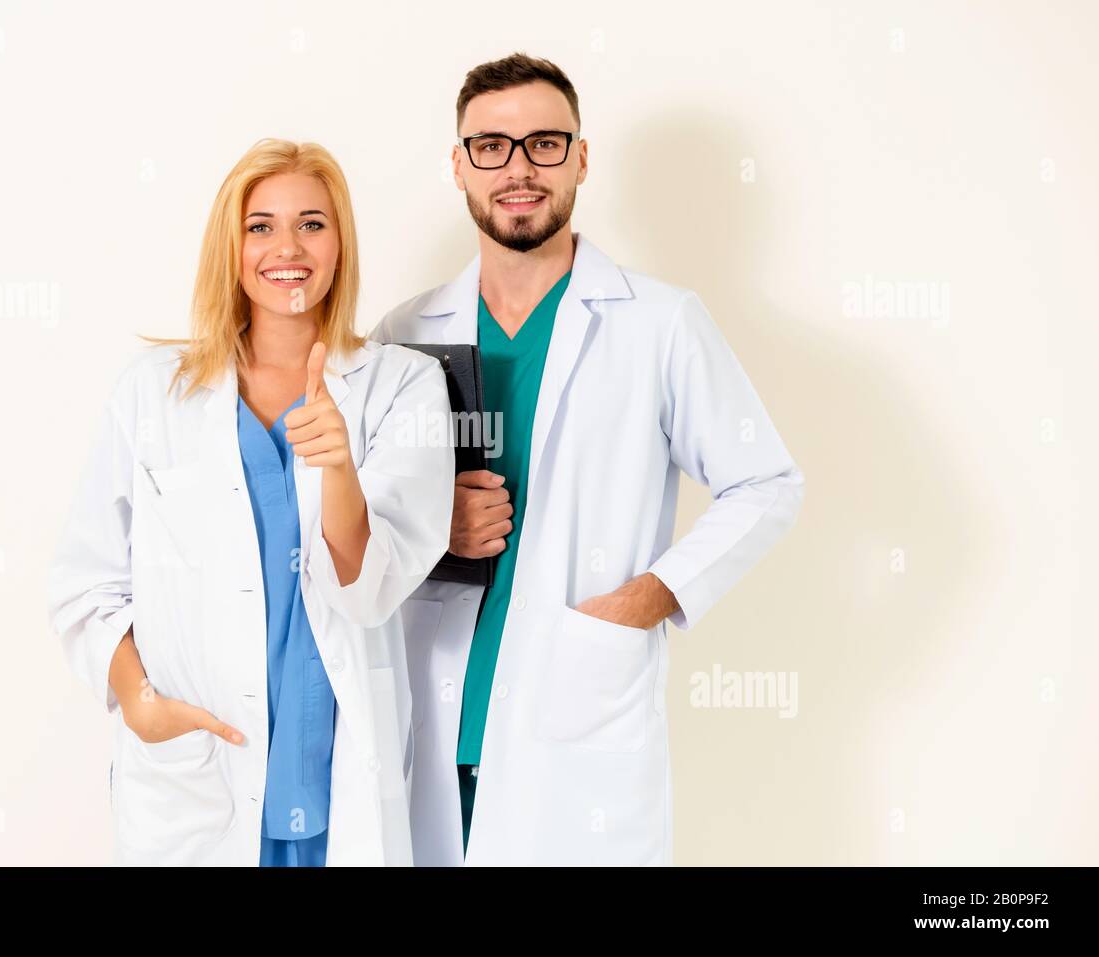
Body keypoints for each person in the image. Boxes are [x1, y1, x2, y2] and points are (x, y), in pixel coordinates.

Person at [373, 53, 805, 865]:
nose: (519, 168)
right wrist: (435, 524)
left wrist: (647, 598)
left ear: (580, 156)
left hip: (577, 706)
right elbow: (359, 523)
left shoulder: (660, 323)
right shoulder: (404, 331)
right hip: (430, 708)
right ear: (459, 165)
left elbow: (768, 482)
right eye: (491, 146)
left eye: (544, 142)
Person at [48, 138, 454, 866]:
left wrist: (337, 467)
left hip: (336, 779)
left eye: (312, 223)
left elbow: (372, 586)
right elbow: (87, 581)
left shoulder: (401, 385)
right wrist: (140, 701)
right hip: (197, 780)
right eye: (259, 225)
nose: (286, 247)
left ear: (340, 243)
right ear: (230, 246)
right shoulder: (152, 392)